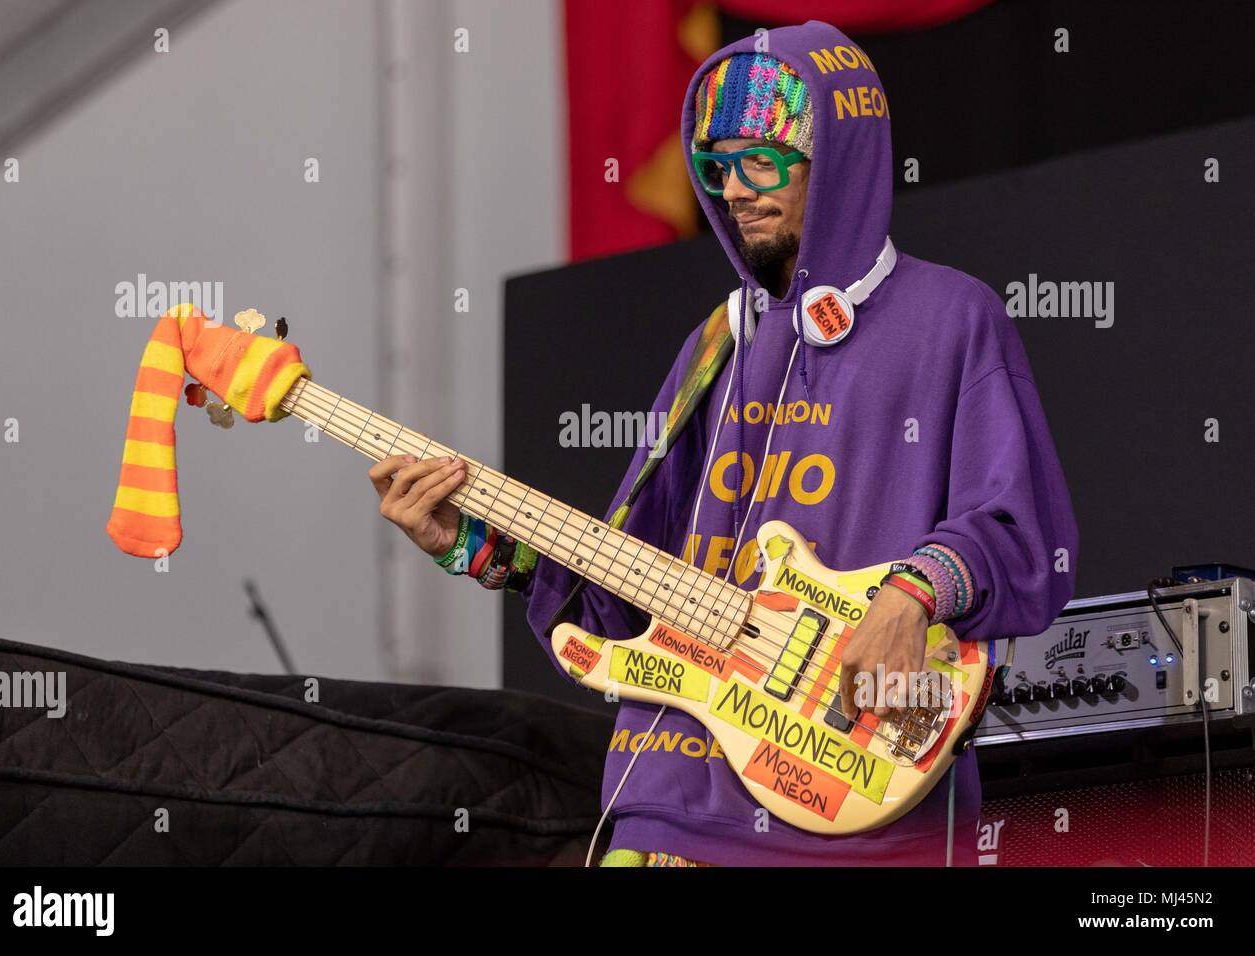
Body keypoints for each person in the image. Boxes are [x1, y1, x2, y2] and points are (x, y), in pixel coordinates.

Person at [369, 19, 1078, 866]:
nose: (734, 190)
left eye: (761, 162)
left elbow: (1024, 538)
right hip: (668, 799)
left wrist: (912, 592)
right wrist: (475, 546)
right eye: (715, 167)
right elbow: (620, 592)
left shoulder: (953, 319)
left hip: (858, 799)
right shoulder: (717, 343)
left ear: (839, 160)